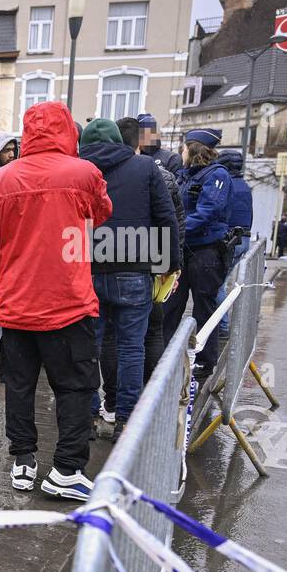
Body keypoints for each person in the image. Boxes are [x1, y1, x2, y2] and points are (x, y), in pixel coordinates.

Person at [0, 101, 112, 501]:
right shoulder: (84, 174)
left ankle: (22, 461)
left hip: (16, 305)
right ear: (67, 130)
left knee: (18, 386)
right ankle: (67, 469)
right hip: (67, 302)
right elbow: (102, 212)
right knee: (75, 385)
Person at [79, 118, 181, 442]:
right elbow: (165, 217)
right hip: (134, 269)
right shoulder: (146, 168)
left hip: (88, 269)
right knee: (131, 347)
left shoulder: (77, 171)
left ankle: (91, 414)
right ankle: (125, 420)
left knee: (90, 345)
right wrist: (169, 264)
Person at [163, 128, 234, 380]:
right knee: (171, 304)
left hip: (206, 252)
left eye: (184, 147)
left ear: (194, 149)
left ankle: (205, 361)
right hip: (184, 250)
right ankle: (166, 356)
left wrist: (176, 231)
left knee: (204, 307)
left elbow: (207, 213)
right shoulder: (183, 175)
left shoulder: (217, 176)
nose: (180, 152)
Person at [214, 148, 253, 335]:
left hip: (231, 240)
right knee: (221, 282)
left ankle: (221, 326)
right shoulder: (243, 185)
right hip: (243, 238)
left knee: (217, 285)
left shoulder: (228, 184)